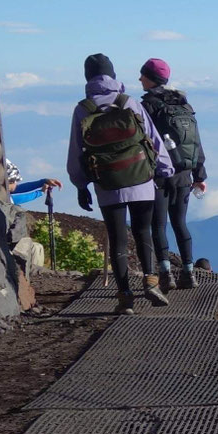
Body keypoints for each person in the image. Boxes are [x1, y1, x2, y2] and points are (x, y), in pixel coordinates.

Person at [67, 53, 175, 311]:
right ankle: (150, 282)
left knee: (117, 239)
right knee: (143, 231)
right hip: (141, 180)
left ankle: (125, 296)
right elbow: (153, 139)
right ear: (113, 76)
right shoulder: (130, 103)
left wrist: (80, 185)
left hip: (107, 183)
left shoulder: (83, 109)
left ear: (87, 77)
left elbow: (75, 151)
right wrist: (165, 170)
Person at [138, 57, 208, 288]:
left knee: (158, 225)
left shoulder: (148, 106)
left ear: (151, 79)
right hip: (184, 174)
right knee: (180, 222)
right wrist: (200, 175)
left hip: (158, 174)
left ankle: (166, 274)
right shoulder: (184, 106)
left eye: (143, 75)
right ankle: (189, 273)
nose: (140, 79)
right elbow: (195, 141)